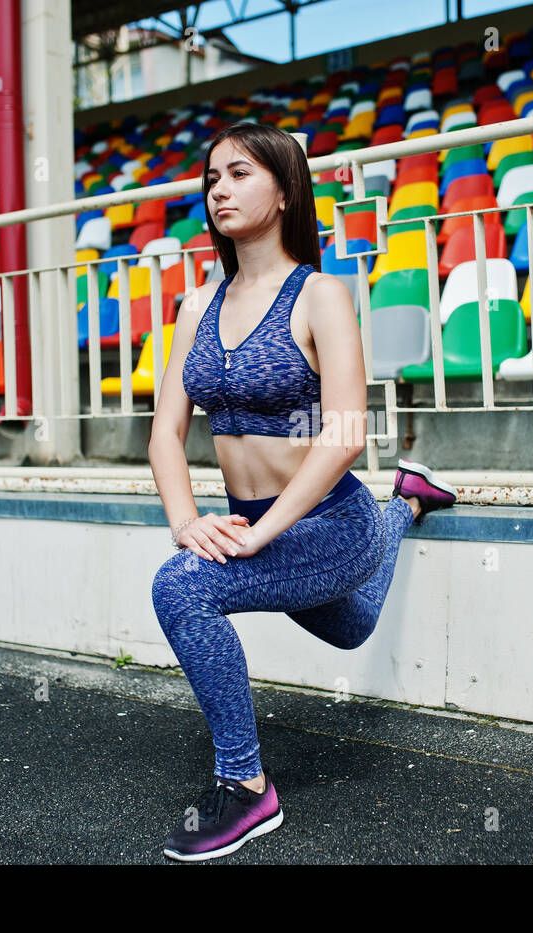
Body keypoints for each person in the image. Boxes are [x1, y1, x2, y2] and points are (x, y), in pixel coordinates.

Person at [148, 122, 458, 862]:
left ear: (285, 191)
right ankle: (409, 502)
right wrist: (187, 519)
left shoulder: (319, 294)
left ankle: (247, 787)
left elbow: (346, 431)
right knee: (352, 626)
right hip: (258, 525)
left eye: (239, 173)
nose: (218, 188)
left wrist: (260, 534)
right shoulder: (196, 308)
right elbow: (165, 434)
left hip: (323, 520)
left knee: (181, 590)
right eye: (212, 177)